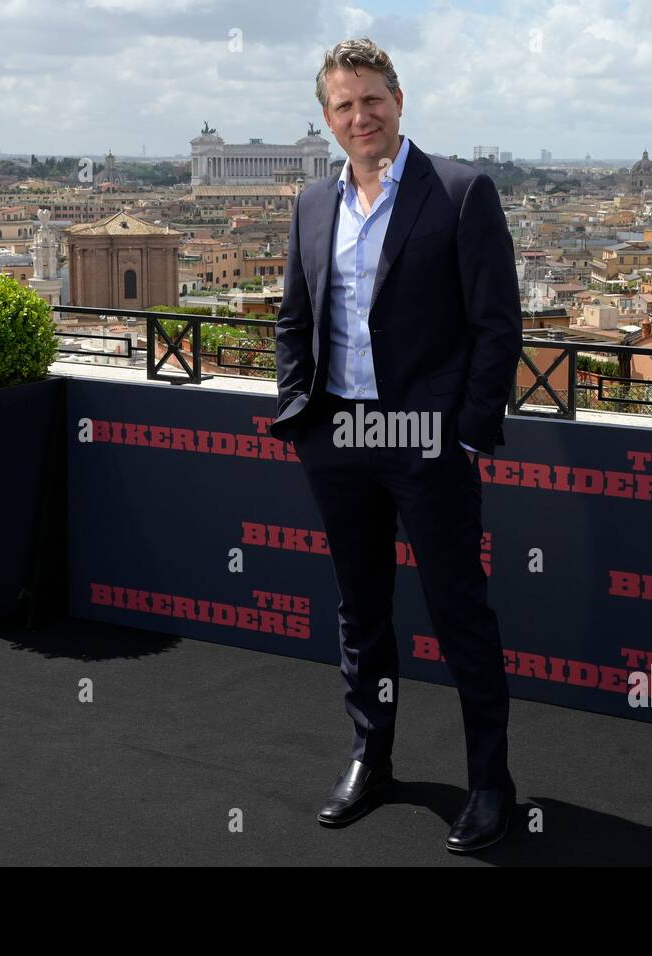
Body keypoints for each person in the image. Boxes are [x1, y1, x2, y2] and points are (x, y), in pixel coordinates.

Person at [268, 37, 523, 853]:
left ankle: (490, 783)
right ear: (327, 118)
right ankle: (371, 757)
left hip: (424, 438)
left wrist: (469, 438)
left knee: (459, 614)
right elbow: (293, 318)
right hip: (338, 431)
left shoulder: (460, 191)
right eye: (343, 105)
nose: (359, 116)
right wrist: (298, 408)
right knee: (361, 609)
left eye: (371, 99)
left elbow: (497, 326)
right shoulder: (313, 202)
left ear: (399, 99)